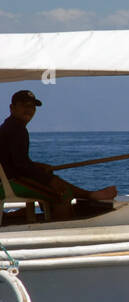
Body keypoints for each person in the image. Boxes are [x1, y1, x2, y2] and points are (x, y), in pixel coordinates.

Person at [0, 89, 117, 218]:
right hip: (11, 183)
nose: (29, 110)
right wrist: (49, 180)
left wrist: (40, 168)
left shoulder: (8, 126)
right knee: (62, 192)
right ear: (12, 108)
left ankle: (89, 195)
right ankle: (63, 224)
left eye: (32, 106)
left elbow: (15, 161)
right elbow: (21, 165)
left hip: (8, 179)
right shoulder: (17, 129)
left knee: (50, 178)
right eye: (24, 105)